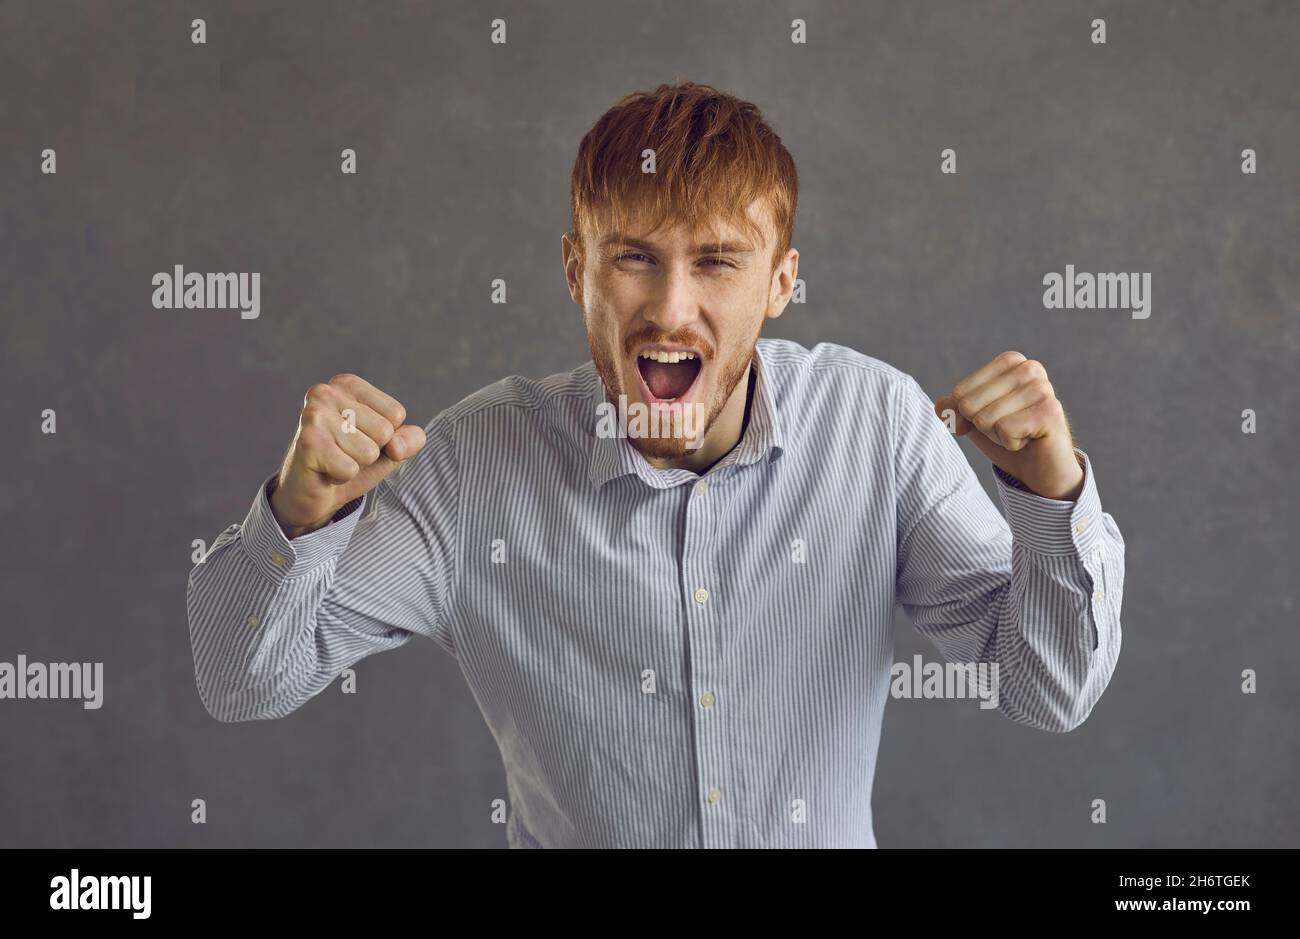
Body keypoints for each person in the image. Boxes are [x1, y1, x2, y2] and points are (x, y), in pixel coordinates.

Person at [187, 81, 1124, 848]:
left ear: (782, 284)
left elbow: (1048, 689)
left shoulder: (874, 424)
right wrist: (300, 513)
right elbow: (243, 680)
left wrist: (1048, 493)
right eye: (633, 258)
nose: (671, 310)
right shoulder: (477, 464)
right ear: (574, 270)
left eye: (718, 261)